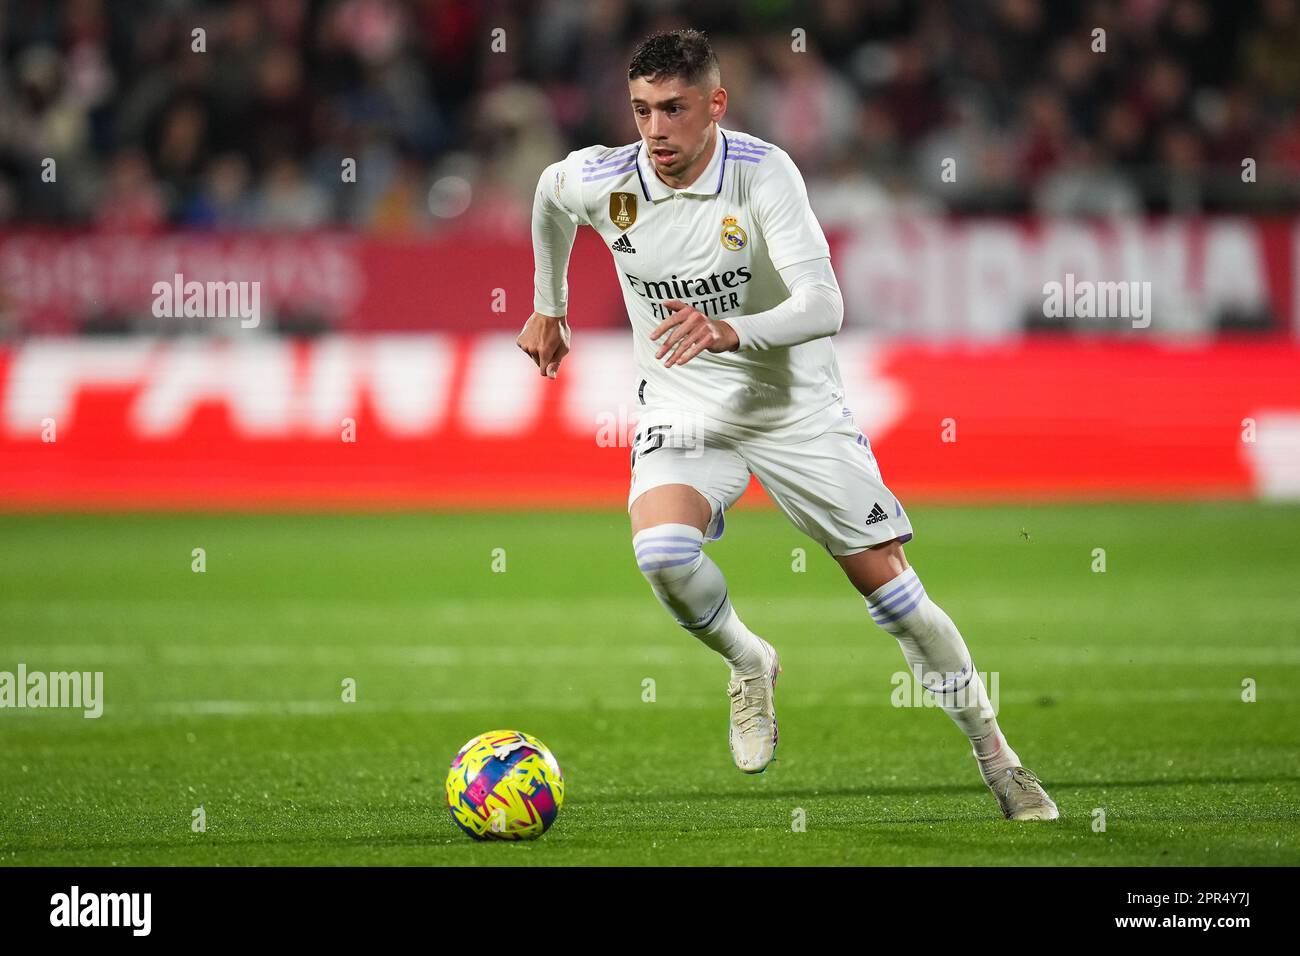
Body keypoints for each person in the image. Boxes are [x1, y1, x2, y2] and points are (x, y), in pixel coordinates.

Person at [518, 28, 1057, 820]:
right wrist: (549, 305)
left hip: (793, 406)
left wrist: (733, 328)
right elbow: (547, 197)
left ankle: (998, 757)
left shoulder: (763, 173)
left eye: (674, 109)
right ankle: (750, 660)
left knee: (894, 596)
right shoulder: (605, 178)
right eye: (641, 111)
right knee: (662, 552)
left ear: (716, 105)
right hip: (684, 402)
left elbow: (824, 305)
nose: (656, 130)